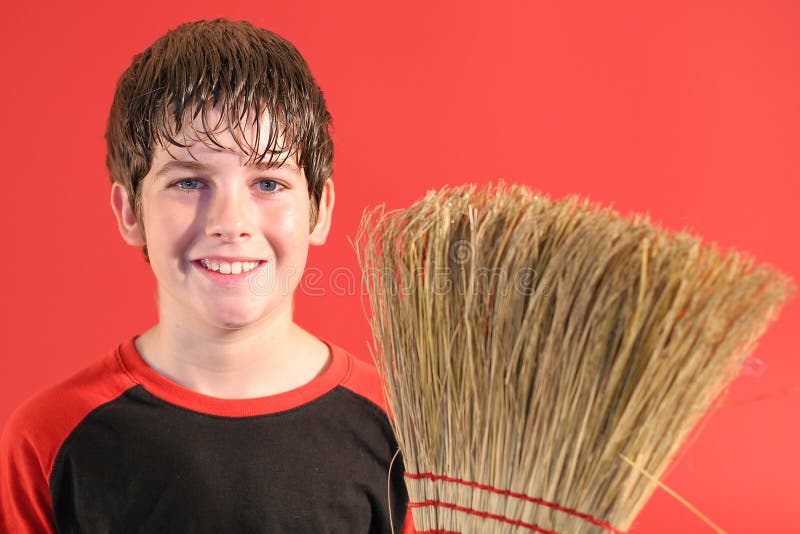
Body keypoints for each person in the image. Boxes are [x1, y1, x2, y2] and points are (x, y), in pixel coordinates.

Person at [0, 19, 413, 533]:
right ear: (130, 211)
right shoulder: (48, 441)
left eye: (268, 182)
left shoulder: (406, 434)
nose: (230, 223)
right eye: (190, 181)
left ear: (320, 209)